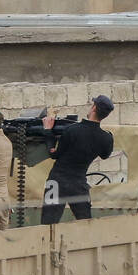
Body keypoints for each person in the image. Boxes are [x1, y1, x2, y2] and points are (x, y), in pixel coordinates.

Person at [40, 95, 115, 224]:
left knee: (48, 224)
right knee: (85, 222)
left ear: (94, 108)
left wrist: (47, 131)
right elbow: (105, 155)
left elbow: (54, 154)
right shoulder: (106, 138)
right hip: (79, 184)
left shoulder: (72, 130)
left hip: (57, 182)